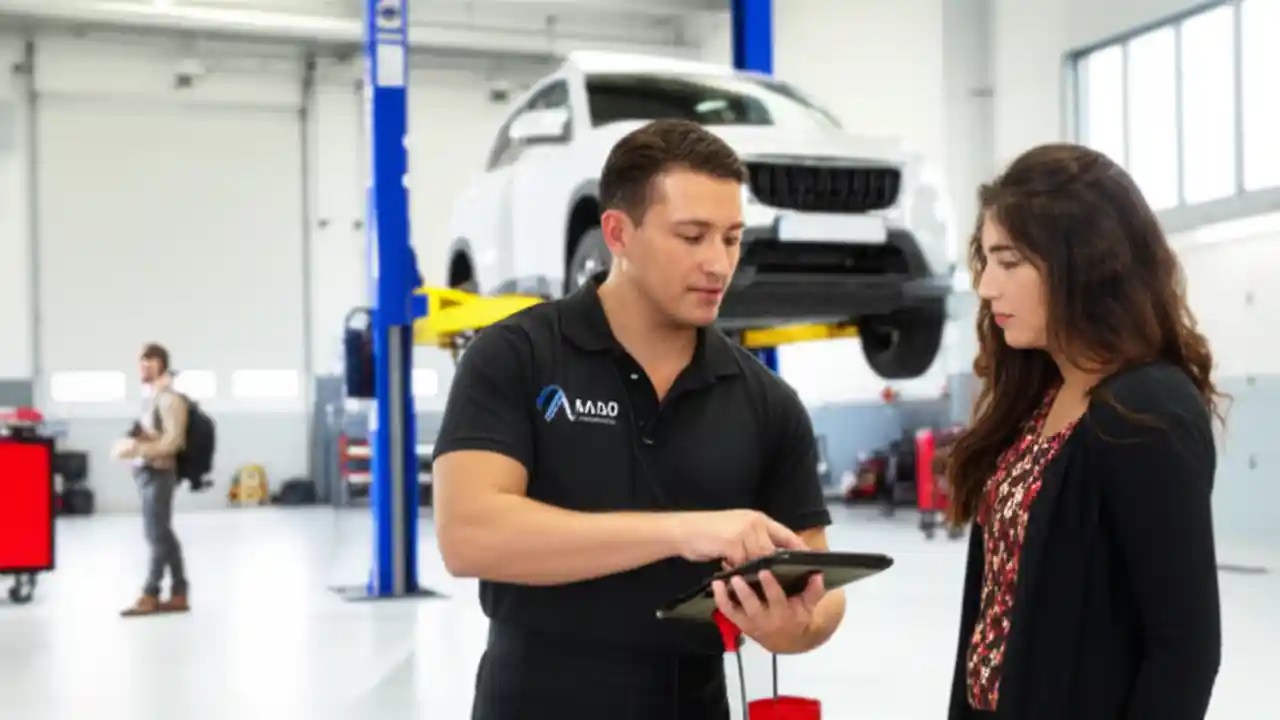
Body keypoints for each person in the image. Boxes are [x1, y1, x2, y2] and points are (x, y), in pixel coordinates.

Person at [431, 118, 846, 719]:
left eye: (731, 238)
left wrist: (794, 627)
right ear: (617, 233)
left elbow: (819, 578)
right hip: (532, 698)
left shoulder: (765, 401)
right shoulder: (516, 356)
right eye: (692, 236)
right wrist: (683, 531)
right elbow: (468, 536)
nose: (718, 264)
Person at [944, 144, 1222, 720]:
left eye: (1010, 262)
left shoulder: (1147, 410)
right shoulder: (1039, 394)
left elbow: (1185, 649)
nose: (988, 286)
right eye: (986, 261)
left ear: (1083, 263)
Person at [114, 342, 191, 617]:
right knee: (162, 534)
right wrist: (136, 441)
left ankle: (151, 592)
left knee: (156, 535)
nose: (142, 367)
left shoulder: (170, 399)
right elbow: (155, 434)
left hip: (160, 473)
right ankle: (180, 592)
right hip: (146, 473)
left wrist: (137, 449)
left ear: (159, 363)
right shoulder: (152, 398)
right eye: (140, 362)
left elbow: (173, 441)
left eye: (147, 361)